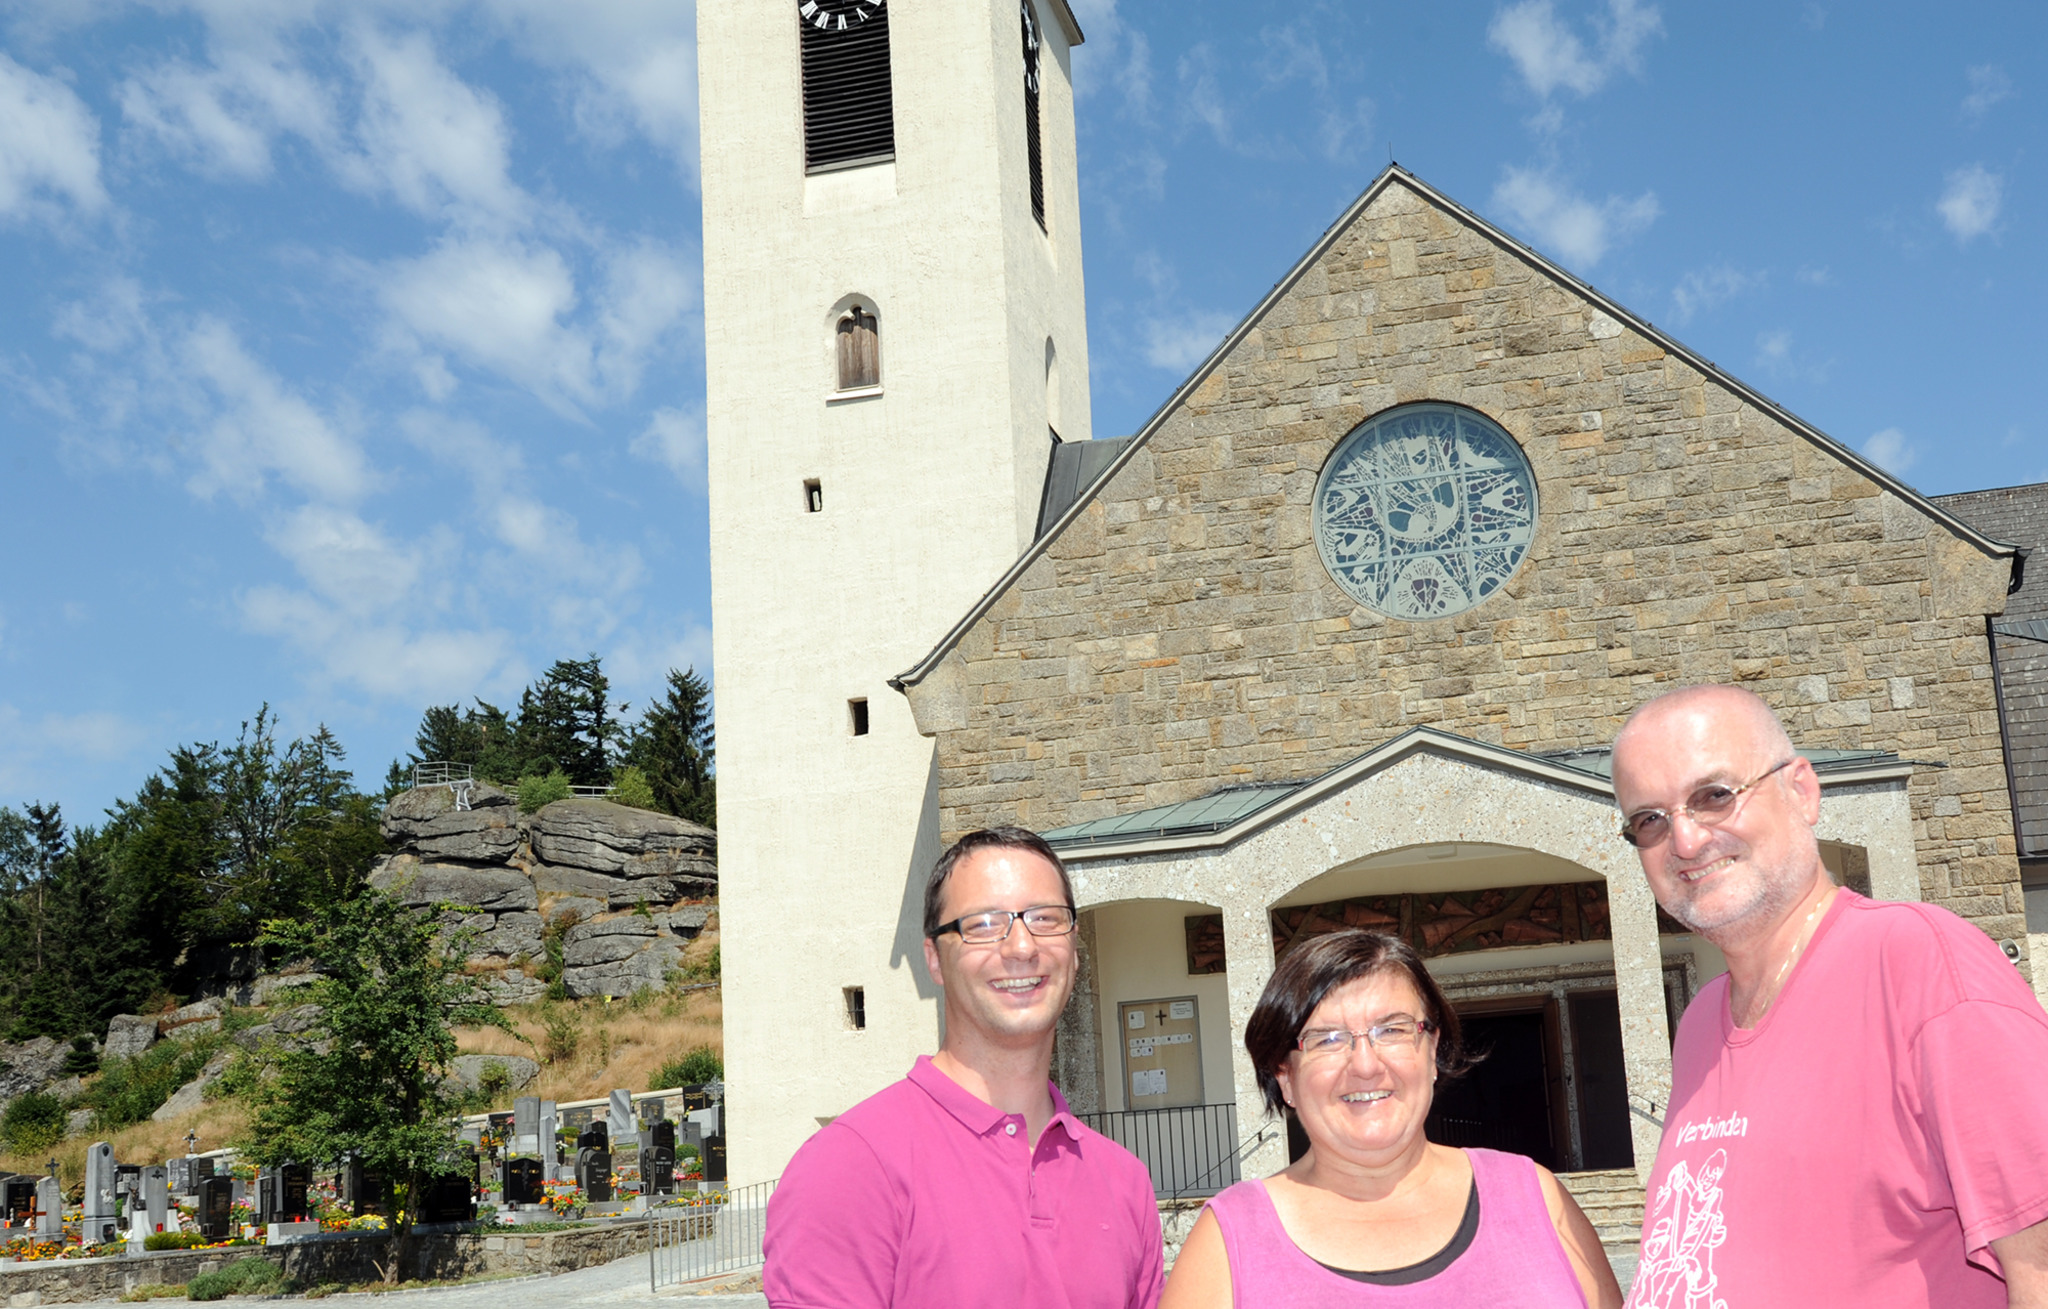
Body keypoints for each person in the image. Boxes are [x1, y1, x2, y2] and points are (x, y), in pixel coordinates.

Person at [1612, 684, 2048, 1307]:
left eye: (1714, 796)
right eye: (1649, 820)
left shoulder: (1920, 964)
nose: (1684, 841)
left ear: (1803, 791)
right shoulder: (1702, 1021)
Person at [763, 826, 1164, 1309]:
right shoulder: (850, 1166)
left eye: (1045, 918)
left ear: (1074, 951)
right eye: (984, 924)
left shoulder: (1123, 1181)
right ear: (934, 958)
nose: (1021, 947)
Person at [1161, 929, 1621, 1308]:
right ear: (1285, 1075)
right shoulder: (1229, 1241)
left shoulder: (1535, 1197)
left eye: (1393, 1030)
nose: (1365, 1063)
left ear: (1432, 1051)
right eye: (1327, 1039)